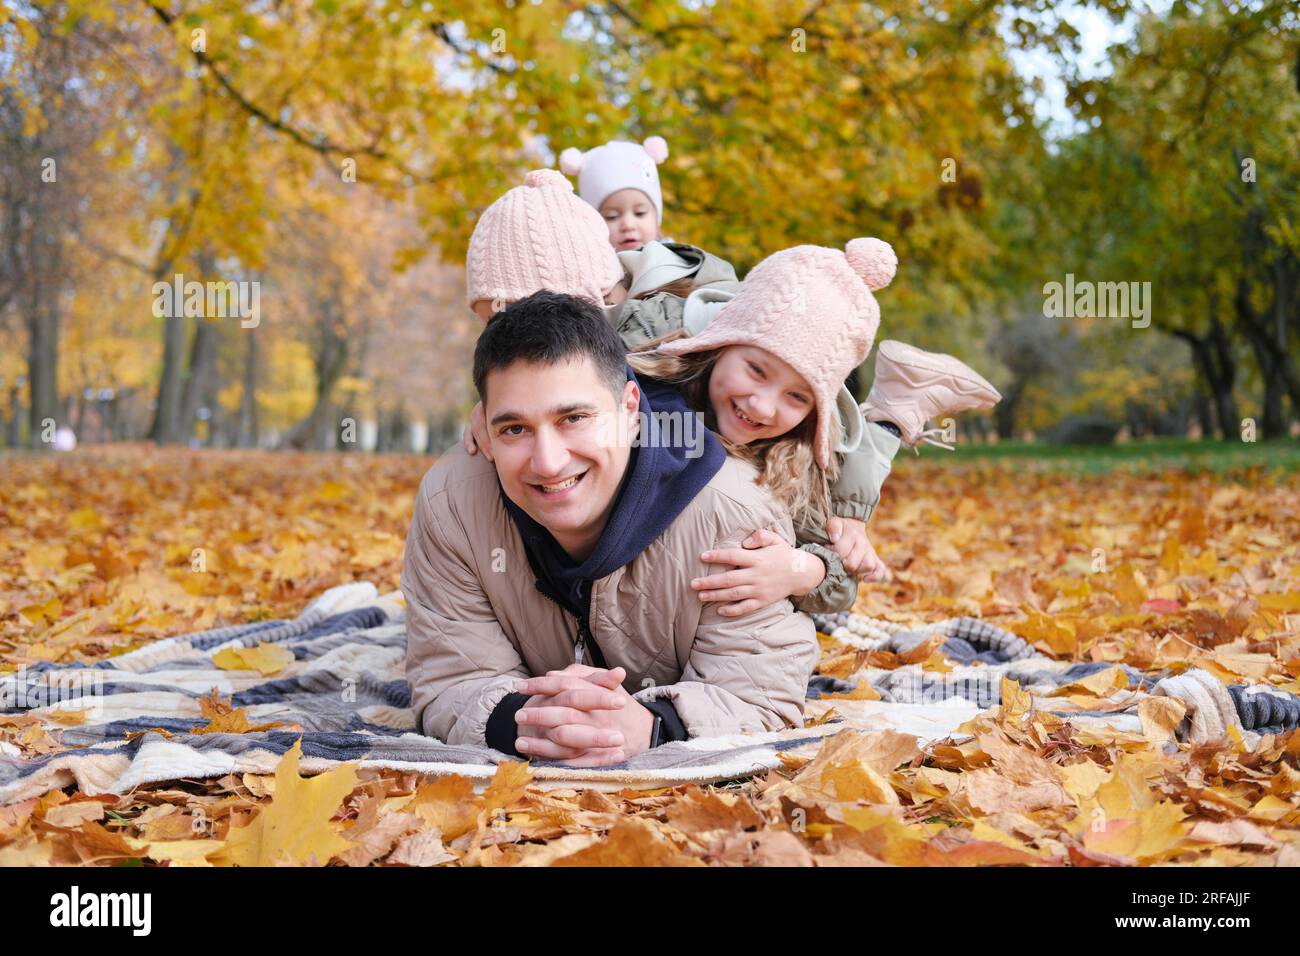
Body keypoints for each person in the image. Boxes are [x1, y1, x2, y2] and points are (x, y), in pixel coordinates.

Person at [400, 291, 819, 767]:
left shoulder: (732, 513)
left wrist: (654, 727)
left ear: (629, 408)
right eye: (514, 429)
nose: (548, 461)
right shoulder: (452, 504)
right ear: (484, 427)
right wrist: (522, 720)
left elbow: (758, 696)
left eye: (574, 418)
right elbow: (450, 677)